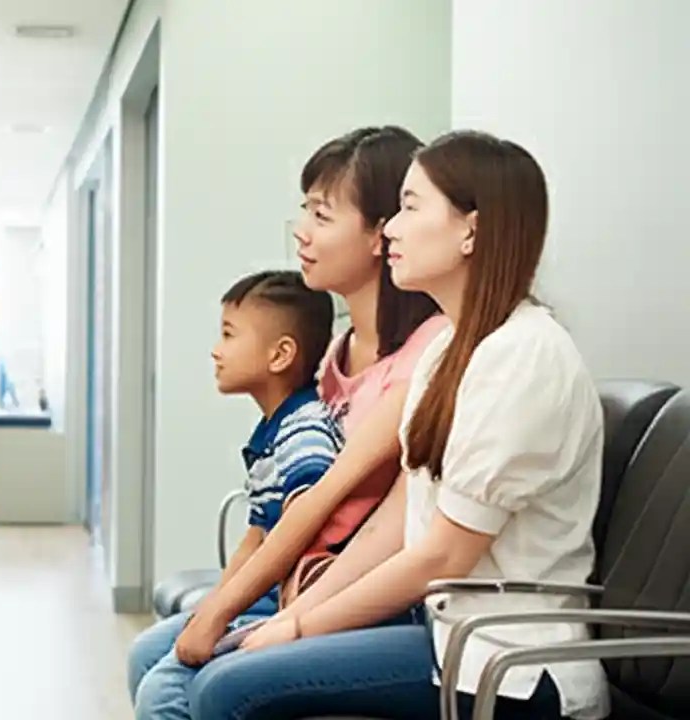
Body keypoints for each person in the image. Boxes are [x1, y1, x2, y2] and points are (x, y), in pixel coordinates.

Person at [188, 131, 609, 720]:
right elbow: (397, 527)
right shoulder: (450, 350)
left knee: (228, 689)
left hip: (503, 661)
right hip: (440, 632)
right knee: (223, 670)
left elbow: (442, 557)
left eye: (411, 208)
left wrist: (303, 625)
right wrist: (291, 620)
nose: (390, 229)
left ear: (471, 230)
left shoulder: (523, 356)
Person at [130, 126, 447, 716]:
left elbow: (337, 508)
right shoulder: (334, 358)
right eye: (305, 212)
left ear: (382, 234)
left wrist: (239, 613)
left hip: (359, 596)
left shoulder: (428, 357)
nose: (301, 232)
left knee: (174, 686)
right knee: (149, 655)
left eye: (322, 216)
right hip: (301, 584)